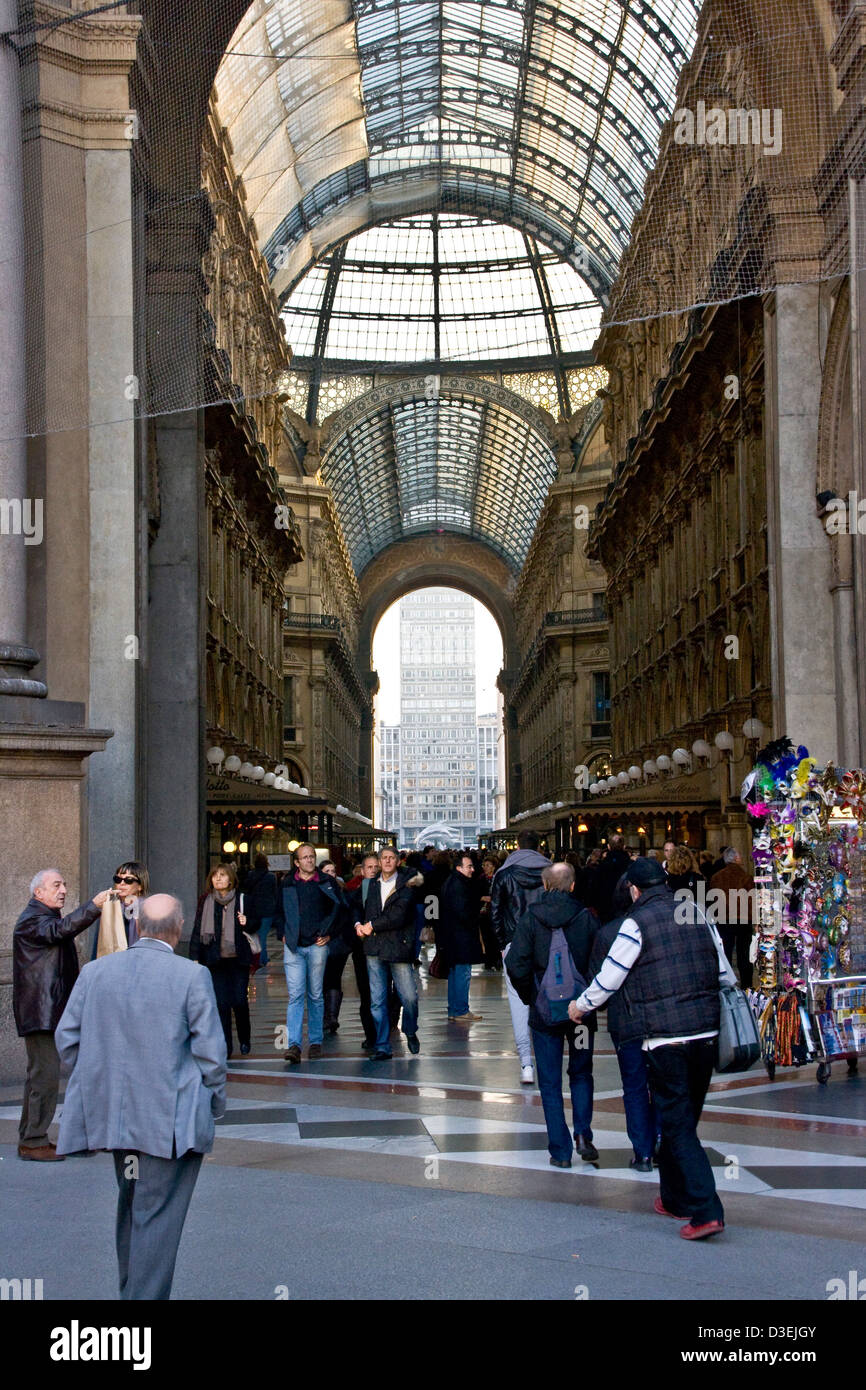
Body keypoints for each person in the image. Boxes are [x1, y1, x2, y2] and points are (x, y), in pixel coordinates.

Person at [55, 894, 226, 1300]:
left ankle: (130, 1294)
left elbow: (67, 1040)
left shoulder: (96, 972)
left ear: (137, 926)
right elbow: (211, 1056)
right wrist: (213, 1104)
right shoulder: (191, 975)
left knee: (133, 1204)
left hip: (116, 1118)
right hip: (169, 1121)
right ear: (179, 928)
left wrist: (103, 1079)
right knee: (156, 1214)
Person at [569, 857, 735, 1240]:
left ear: (634, 889)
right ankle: (674, 1198)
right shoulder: (695, 912)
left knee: (676, 1124)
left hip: (664, 1037)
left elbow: (610, 977)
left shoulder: (635, 922)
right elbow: (724, 971)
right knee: (685, 1120)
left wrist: (581, 1005)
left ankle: (707, 1209)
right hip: (706, 1033)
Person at [13, 869, 109, 1161]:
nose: (63, 890)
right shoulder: (33, 921)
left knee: (39, 1076)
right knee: (44, 1077)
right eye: (56, 885)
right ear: (38, 893)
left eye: (64, 884)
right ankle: (33, 1140)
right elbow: (59, 931)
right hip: (41, 1012)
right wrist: (93, 907)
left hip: (48, 1010)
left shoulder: (44, 918)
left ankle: (32, 1136)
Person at [506, 863, 599, 1165]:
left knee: (549, 1081)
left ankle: (560, 1150)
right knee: (582, 1072)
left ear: (544, 887)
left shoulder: (531, 918)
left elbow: (516, 964)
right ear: (573, 886)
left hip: (545, 1014)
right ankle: (583, 1133)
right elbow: (600, 963)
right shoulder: (586, 918)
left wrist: (531, 996)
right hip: (581, 1013)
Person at [589, 873, 658, 1171]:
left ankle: (642, 1151)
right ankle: (662, 1140)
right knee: (663, 1084)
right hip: (661, 1019)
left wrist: (583, 1007)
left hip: (625, 1020)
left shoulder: (606, 933)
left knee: (633, 1085)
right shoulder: (663, 924)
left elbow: (599, 982)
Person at [491, 830, 549, 1084]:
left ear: (517, 847)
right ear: (538, 847)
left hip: (515, 944)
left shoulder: (503, 874)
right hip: (547, 942)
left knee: (518, 1003)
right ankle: (548, 1056)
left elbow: (495, 912)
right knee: (546, 997)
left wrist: (503, 943)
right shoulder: (552, 873)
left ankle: (526, 1062)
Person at [354, 846, 423, 1059]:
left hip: (398, 947)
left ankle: (410, 1029)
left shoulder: (407, 887)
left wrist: (371, 925)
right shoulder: (370, 885)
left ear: (398, 861)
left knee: (409, 997)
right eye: (384, 858)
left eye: (391, 858)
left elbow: (398, 916)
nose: (387, 861)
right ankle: (382, 1044)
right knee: (377, 1000)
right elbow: (356, 906)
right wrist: (358, 923)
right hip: (374, 948)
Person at [275, 843, 341, 1063]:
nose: (309, 860)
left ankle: (315, 1042)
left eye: (312, 857)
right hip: (294, 945)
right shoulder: (287, 883)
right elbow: (278, 910)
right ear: (296, 862)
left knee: (315, 994)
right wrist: (283, 932)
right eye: (304, 857)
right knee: (295, 996)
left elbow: (339, 910)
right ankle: (293, 1044)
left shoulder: (327, 882)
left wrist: (329, 933)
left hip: (317, 945)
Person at [189, 863, 254, 1059]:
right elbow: (198, 928)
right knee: (222, 1004)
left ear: (231, 879)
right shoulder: (207, 901)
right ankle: (226, 1045)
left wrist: (247, 921)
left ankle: (245, 1038)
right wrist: (194, 957)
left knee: (240, 1001)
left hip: (238, 959)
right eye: (215, 875)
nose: (218, 879)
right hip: (215, 959)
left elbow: (257, 923)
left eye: (223, 875)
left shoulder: (243, 899)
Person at [345, 852, 385, 1050]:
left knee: (385, 992)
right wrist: (358, 924)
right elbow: (352, 912)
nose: (374, 870)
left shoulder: (390, 890)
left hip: (384, 950)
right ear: (362, 870)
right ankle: (372, 1035)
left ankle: (383, 1032)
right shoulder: (355, 893)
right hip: (362, 950)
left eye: (376, 867)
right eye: (370, 867)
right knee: (366, 993)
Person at [438, 853, 484, 1021]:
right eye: (469, 866)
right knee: (463, 973)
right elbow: (463, 911)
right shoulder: (460, 885)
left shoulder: (451, 882)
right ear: (459, 868)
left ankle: (454, 1009)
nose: (472, 870)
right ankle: (461, 1010)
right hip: (461, 937)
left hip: (452, 936)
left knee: (455, 973)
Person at [709, 847, 756, 988]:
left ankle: (727, 984)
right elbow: (751, 900)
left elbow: (713, 900)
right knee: (744, 954)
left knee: (726, 953)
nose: (741, 858)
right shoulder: (746, 877)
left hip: (723, 919)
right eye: (740, 856)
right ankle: (747, 986)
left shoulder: (716, 877)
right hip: (743, 919)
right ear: (735, 859)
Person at [92, 861, 149, 958]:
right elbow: (98, 945)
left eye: (129, 880)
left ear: (140, 886)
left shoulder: (149, 909)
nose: (122, 883)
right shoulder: (109, 908)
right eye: (118, 879)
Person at [243, 853, 279, 972]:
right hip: (267, 910)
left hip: (254, 910)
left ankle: (259, 958)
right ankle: (261, 959)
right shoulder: (271, 876)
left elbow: (247, 891)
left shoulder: (250, 875)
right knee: (263, 936)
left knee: (256, 936)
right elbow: (275, 893)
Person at [478, 855, 502, 970]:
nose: (485, 867)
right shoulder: (481, 879)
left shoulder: (498, 878)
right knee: (486, 936)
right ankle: (488, 960)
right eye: (484, 865)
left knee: (496, 936)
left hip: (496, 911)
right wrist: (482, 897)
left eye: (488, 865)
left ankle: (497, 959)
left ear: (494, 867)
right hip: (483, 912)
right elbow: (475, 893)